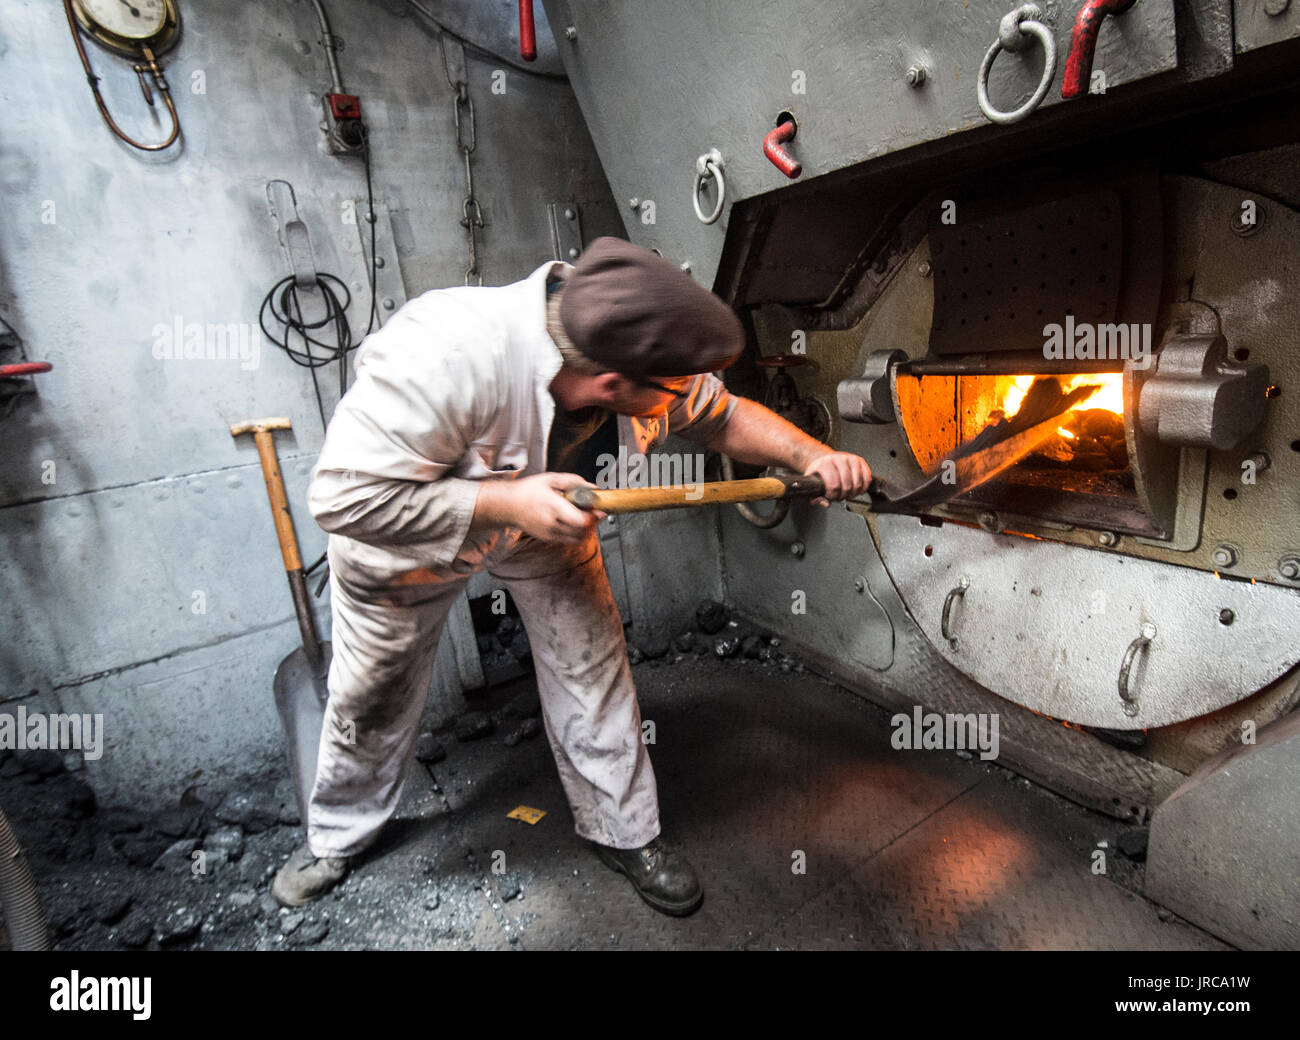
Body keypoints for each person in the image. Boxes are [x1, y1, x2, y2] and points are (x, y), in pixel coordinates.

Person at [272, 237, 871, 916]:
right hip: (403, 535)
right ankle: (338, 839)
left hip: (549, 524)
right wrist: (503, 499)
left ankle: (622, 831)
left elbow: (721, 414)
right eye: (672, 393)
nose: (684, 399)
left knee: (592, 667)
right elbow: (342, 500)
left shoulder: (638, 357)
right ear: (612, 386)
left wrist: (811, 452)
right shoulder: (445, 352)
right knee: (370, 694)